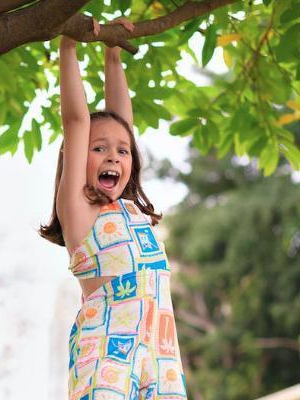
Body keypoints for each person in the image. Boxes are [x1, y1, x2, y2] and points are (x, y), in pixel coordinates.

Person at [40, 18, 187, 399]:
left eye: (122, 151)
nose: (114, 156)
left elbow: (124, 122)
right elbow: (76, 120)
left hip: (159, 353)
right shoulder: (79, 210)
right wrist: (68, 47)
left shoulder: (131, 212)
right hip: (105, 349)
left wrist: (112, 54)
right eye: (98, 148)